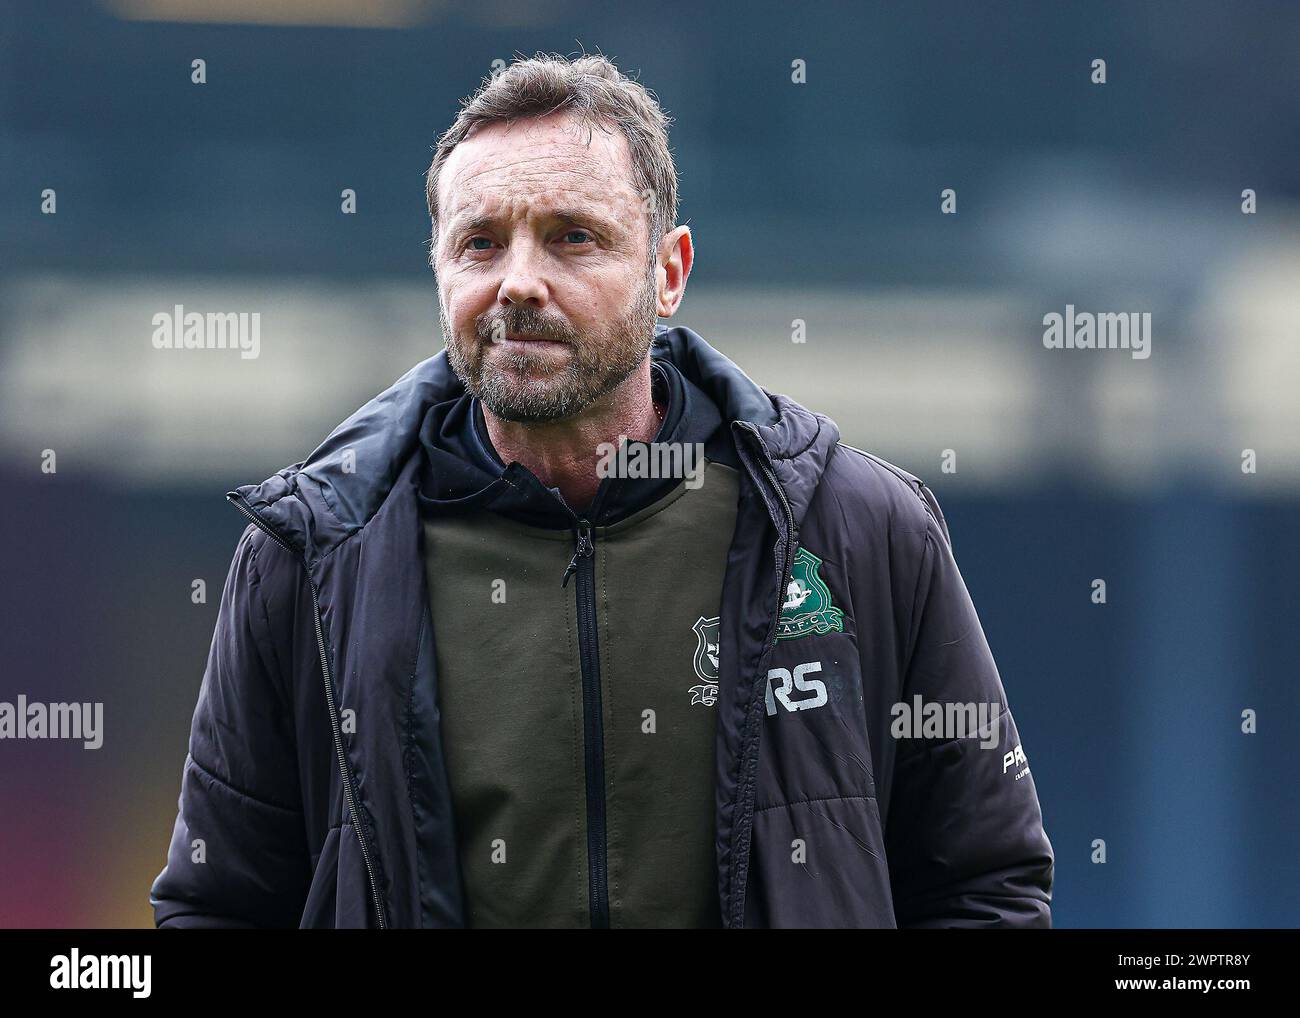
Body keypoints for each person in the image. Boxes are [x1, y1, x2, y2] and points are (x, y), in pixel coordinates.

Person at [151, 52, 1053, 929]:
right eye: (480, 244)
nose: (518, 283)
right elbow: (218, 903)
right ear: (439, 271)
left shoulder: (857, 527)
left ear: (669, 272)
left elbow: (984, 884)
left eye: (572, 237)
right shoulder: (312, 555)